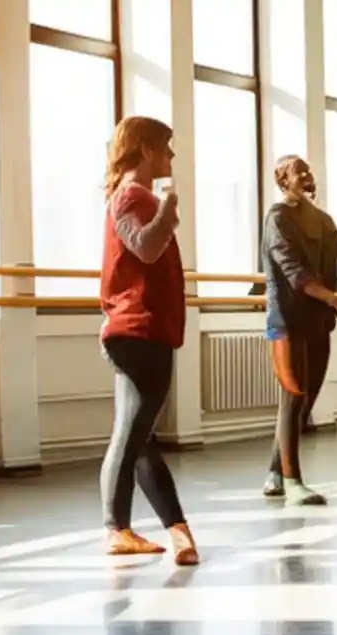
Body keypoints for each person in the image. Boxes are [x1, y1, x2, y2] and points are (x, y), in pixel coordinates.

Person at [97, 116, 198, 566]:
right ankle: (115, 527)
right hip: (139, 330)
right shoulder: (133, 195)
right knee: (132, 435)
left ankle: (177, 527)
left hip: (142, 329)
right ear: (145, 150)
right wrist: (169, 207)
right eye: (166, 148)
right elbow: (146, 246)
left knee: (141, 438)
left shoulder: (132, 195)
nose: (171, 157)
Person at [260, 155, 337, 503]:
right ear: (282, 180)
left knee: (307, 399)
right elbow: (293, 270)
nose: (306, 175)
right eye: (297, 171)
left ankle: (276, 470)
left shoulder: (323, 220)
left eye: (308, 169)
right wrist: (330, 295)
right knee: (293, 397)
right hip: (287, 321)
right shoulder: (278, 218)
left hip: (319, 320)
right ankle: (292, 482)